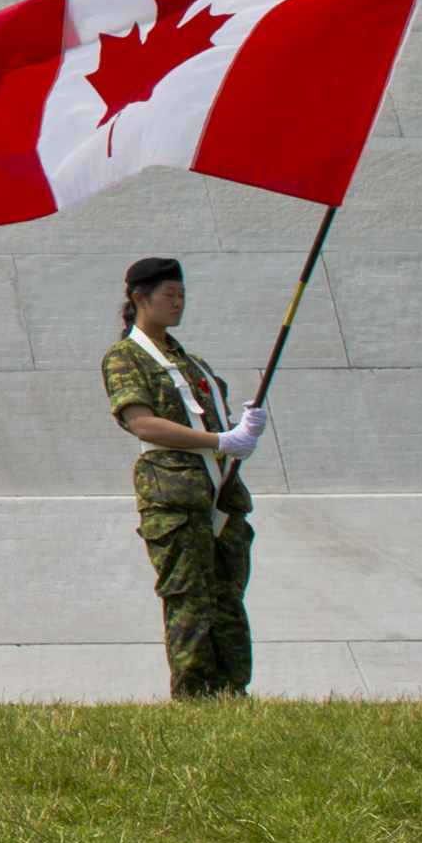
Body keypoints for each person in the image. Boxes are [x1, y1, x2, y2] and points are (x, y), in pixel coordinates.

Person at [104, 257, 267, 700]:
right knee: (190, 599)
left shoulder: (193, 364)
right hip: (174, 499)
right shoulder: (125, 358)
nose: (178, 303)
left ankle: (232, 693)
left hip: (221, 497)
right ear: (139, 298)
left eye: (182, 295)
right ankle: (194, 697)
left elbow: (217, 423)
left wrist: (243, 431)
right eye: (169, 295)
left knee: (228, 600)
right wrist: (220, 440)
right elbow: (143, 424)